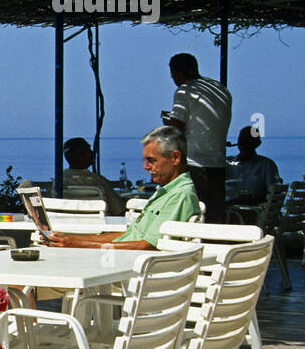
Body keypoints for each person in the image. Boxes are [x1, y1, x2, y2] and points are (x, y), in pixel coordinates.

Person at [41, 126, 200, 250]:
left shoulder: (180, 194)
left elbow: (148, 246)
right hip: (122, 257)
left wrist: (78, 244)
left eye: (151, 160)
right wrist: (70, 239)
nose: (145, 167)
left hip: (133, 266)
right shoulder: (167, 191)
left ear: (175, 158)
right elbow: (130, 233)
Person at [162, 52, 231, 223]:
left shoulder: (185, 91)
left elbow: (177, 130)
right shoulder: (221, 90)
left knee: (191, 215)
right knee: (214, 216)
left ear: (178, 73)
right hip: (218, 162)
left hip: (194, 162)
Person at [61, 137, 126, 216]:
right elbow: (119, 210)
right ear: (81, 155)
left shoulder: (59, 181)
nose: (92, 153)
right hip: (100, 226)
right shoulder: (98, 181)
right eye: (89, 150)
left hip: (67, 225)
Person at [226, 126, 280, 205]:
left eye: (248, 139)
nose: (244, 141)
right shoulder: (227, 163)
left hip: (251, 213)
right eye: (242, 138)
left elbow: (273, 194)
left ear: (257, 143)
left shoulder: (266, 165)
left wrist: (246, 200)